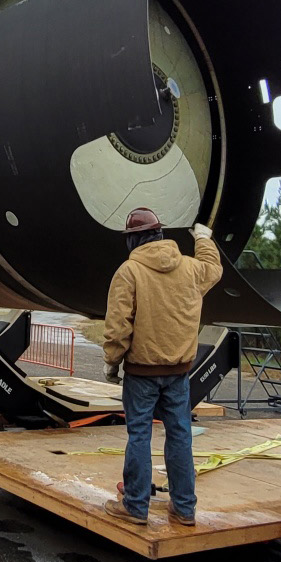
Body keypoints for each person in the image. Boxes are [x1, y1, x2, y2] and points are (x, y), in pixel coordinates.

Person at [100, 208, 222, 527]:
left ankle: (135, 507)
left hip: (141, 372)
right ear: (160, 234)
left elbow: (117, 326)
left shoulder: (129, 272)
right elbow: (212, 268)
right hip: (179, 371)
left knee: (139, 434)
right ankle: (184, 509)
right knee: (179, 435)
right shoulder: (190, 268)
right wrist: (204, 240)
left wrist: (112, 363)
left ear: (134, 239)